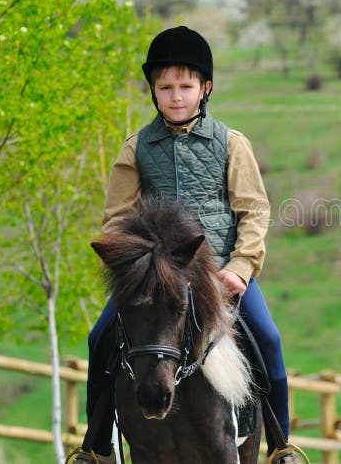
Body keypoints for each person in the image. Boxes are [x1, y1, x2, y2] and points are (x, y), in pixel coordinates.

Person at [73, 26, 300, 464]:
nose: (176, 96)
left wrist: (240, 267)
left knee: (267, 339)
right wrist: (133, 264)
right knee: (99, 337)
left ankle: (281, 444)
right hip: (155, 278)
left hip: (220, 276)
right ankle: (96, 447)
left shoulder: (231, 144)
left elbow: (253, 211)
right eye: (165, 87)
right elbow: (118, 218)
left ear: (205, 88)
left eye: (186, 86)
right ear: (154, 91)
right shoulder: (135, 148)